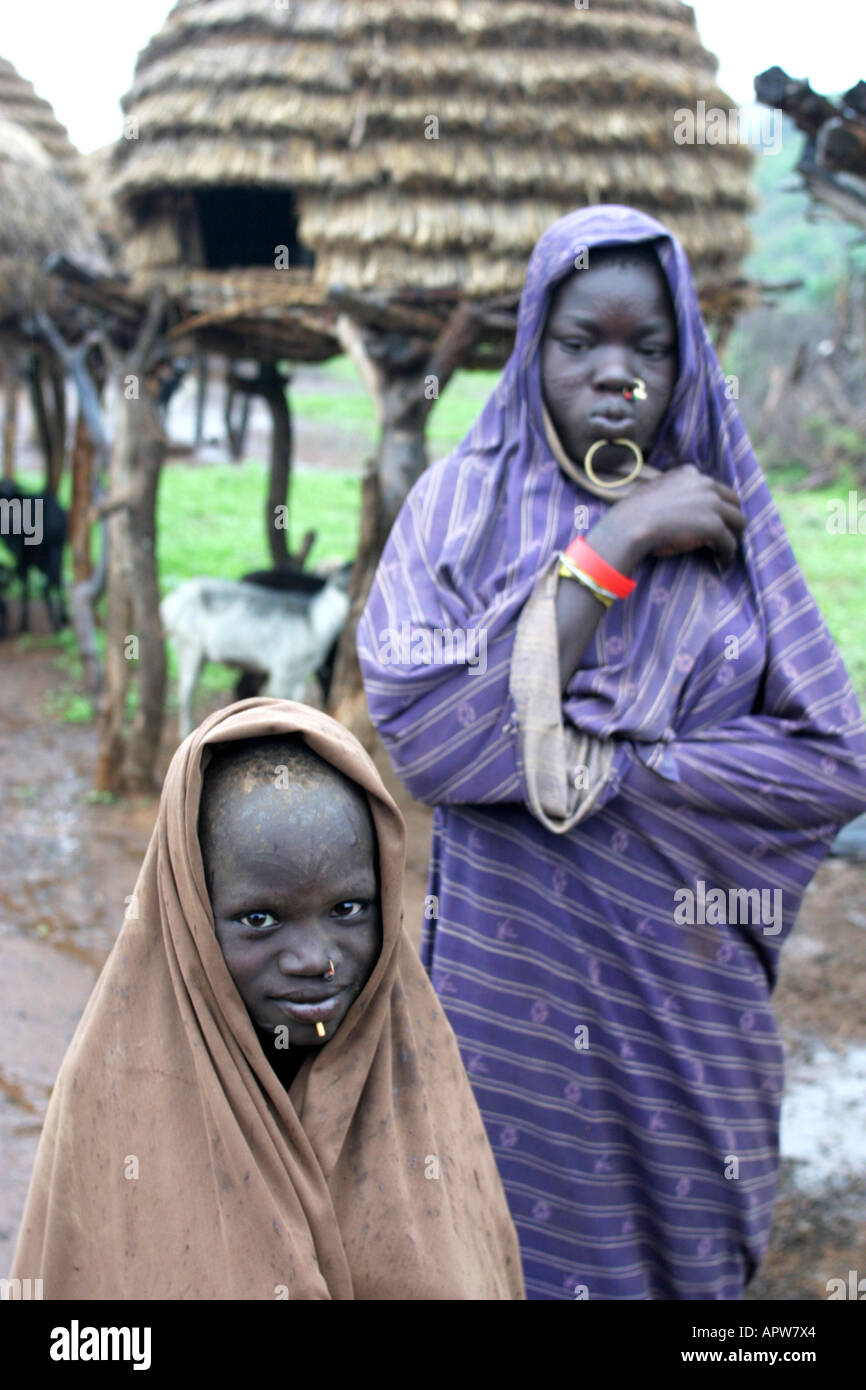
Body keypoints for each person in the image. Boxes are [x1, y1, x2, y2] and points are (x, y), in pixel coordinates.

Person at [358, 204, 866, 1300]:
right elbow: (426, 733)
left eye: (648, 346)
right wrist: (611, 546)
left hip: (686, 1014)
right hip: (509, 1010)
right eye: (581, 340)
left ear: (687, 358)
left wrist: (613, 774)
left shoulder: (728, 525)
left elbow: (829, 757)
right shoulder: (460, 509)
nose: (614, 372)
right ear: (532, 344)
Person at [9, 699, 524, 1300]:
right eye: (259, 919)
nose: (315, 959)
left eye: (348, 909)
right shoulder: (115, 1091)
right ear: (191, 916)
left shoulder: (421, 1076)